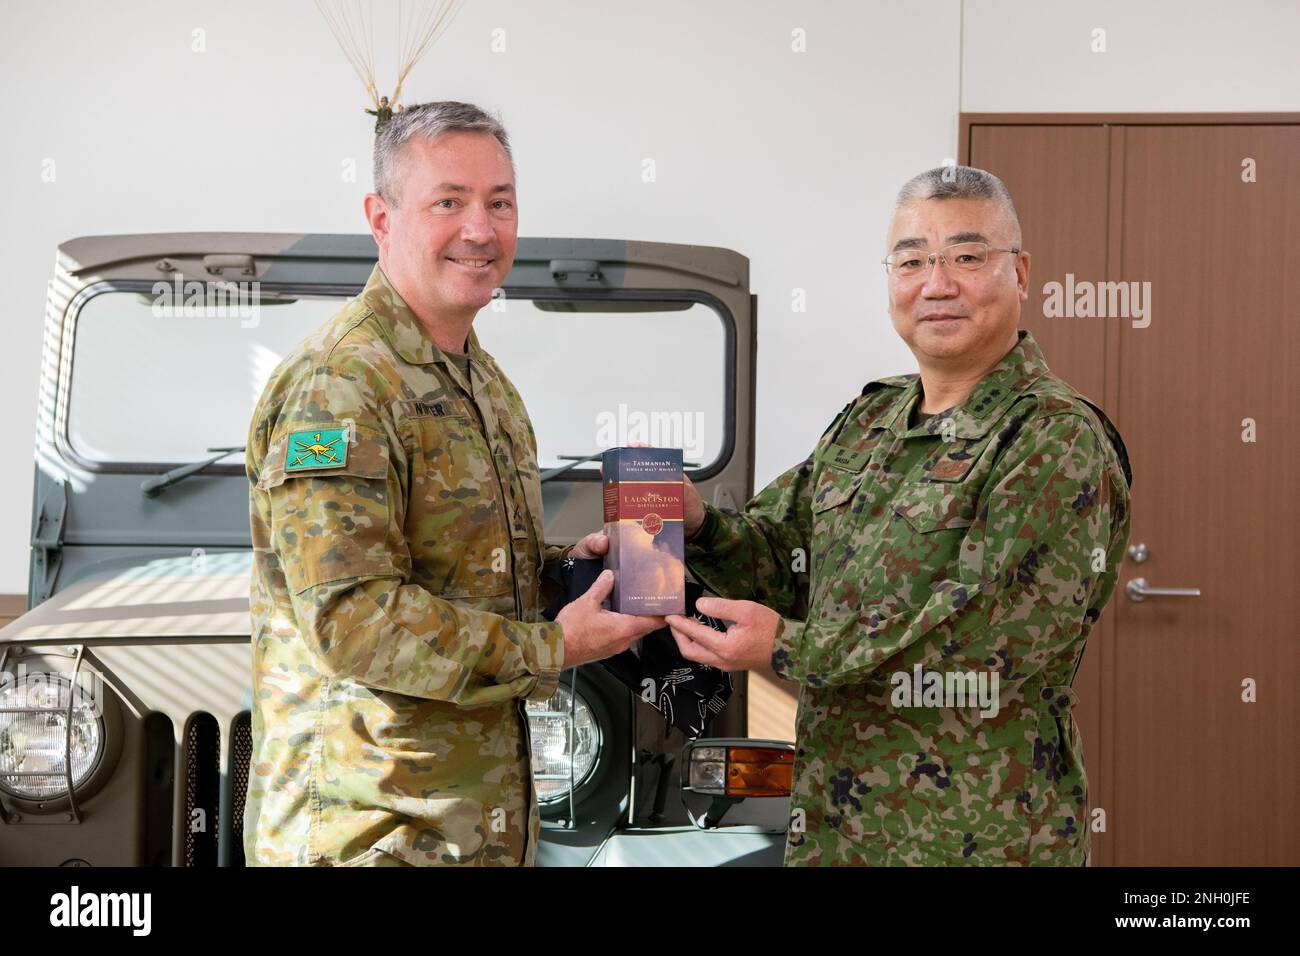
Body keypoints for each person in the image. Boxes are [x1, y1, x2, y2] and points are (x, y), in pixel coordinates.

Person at [665, 165, 1132, 866]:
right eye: (912, 260)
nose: (936, 283)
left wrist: (784, 647)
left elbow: (979, 651)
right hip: (834, 833)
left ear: (1021, 273)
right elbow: (779, 557)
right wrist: (698, 523)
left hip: (978, 840)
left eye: (967, 257)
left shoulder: (1053, 438)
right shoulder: (870, 421)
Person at [244, 101, 660, 867]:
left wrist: (571, 569)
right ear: (381, 217)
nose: (481, 229)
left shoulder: (484, 383)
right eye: (449, 202)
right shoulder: (342, 384)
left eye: (499, 203)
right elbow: (353, 620)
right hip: (370, 828)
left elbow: (472, 576)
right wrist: (554, 646)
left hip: (472, 829)